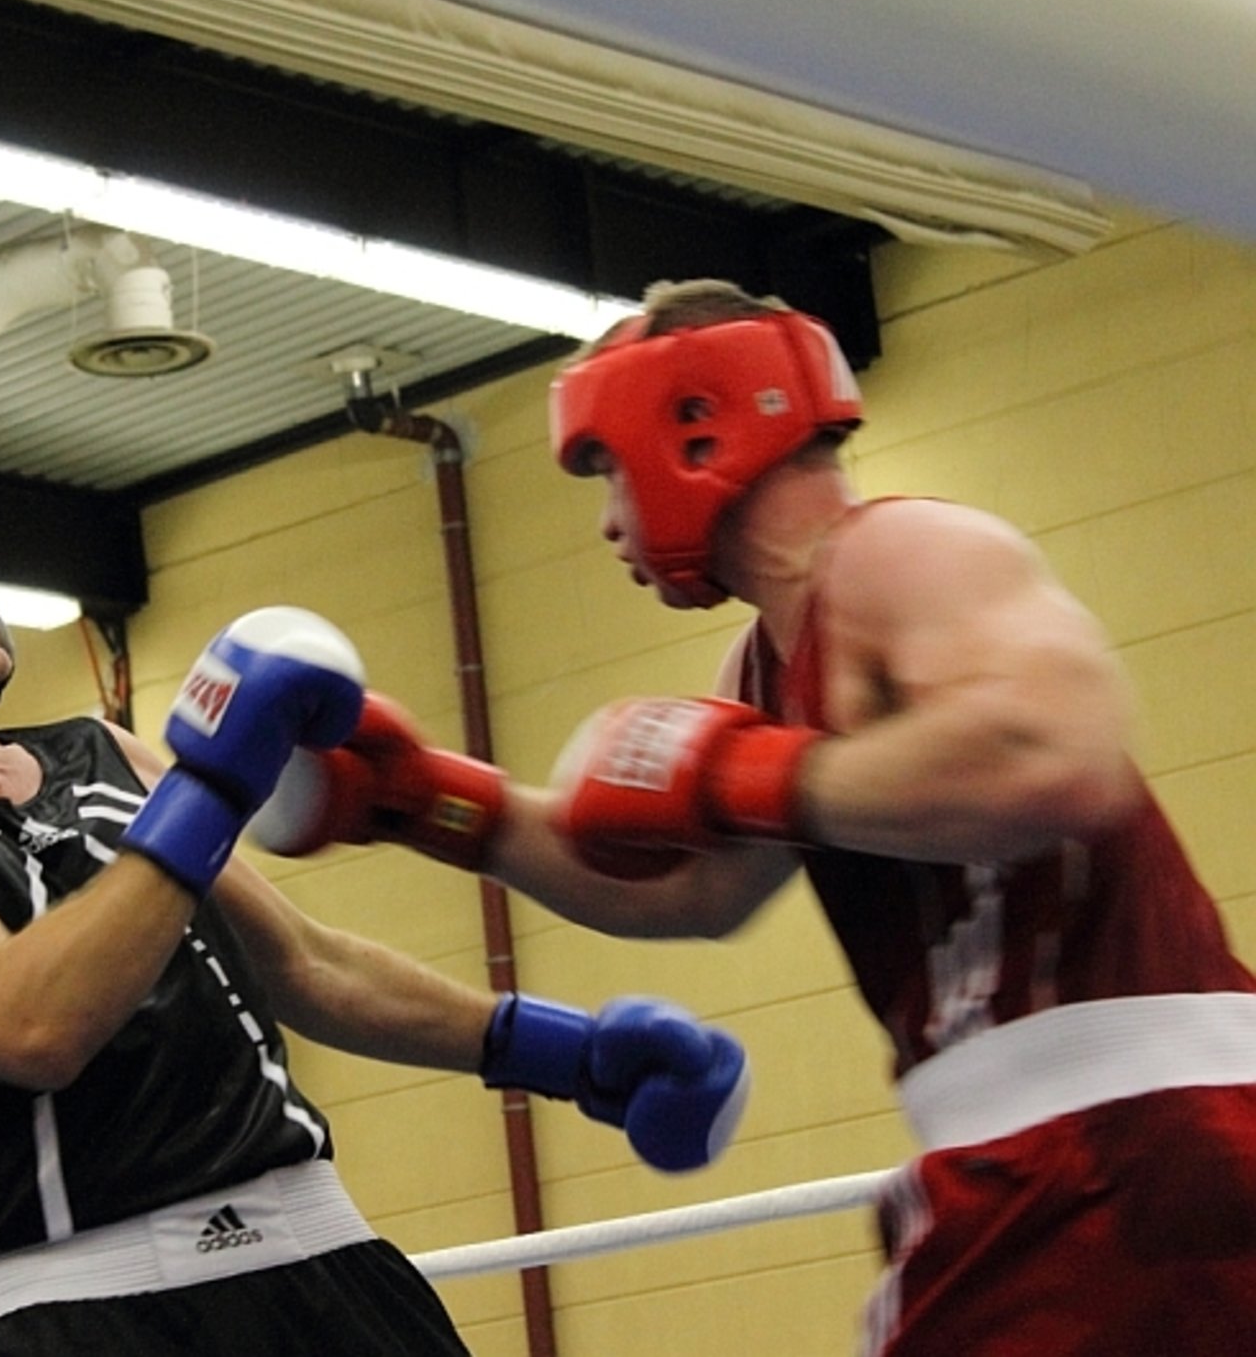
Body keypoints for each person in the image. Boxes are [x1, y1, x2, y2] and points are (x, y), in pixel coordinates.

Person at [252, 281, 1256, 1356]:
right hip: (1049, 1154)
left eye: (603, 471)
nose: (603, 521)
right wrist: (423, 800)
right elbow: (687, 887)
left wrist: (741, 775)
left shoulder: (903, 553)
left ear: (689, 425)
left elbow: (1055, 755)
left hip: (1134, 1135)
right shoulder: (767, 669)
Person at [0, 424, 750, 1357]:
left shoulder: (98, 749)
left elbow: (302, 963)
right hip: (95, 1309)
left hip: (326, 1258)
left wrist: (569, 1051)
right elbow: (28, 1021)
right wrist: (214, 782)